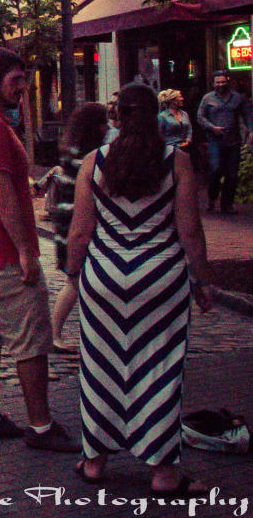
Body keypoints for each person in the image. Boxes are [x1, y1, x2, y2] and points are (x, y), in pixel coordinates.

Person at [65, 84, 216, 493]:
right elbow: (190, 232)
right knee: (162, 368)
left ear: (118, 118)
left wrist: (73, 274)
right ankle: (164, 471)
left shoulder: (95, 163)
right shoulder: (176, 162)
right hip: (161, 277)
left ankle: (94, 460)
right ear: (154, 116)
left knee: (98, 368)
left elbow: (80, 232)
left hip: (105, 277)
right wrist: (202, 280)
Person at [0, 48, 77, 453]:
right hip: (0, 251)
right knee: (30, 340)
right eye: (16, 81)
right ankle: (40, 425)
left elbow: (2, 187)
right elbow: (0, 191)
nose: (23, 90)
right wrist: (25, 249)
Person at [45, 102, 109, 354]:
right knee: (75, 281)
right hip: (76, 224)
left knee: (78, 282)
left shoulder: (74, 150)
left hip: (68, 223)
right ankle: (54, 333)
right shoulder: (88, 156)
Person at [196, 69, 252, 214]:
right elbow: (200, 117)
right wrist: (212, 128)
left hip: (233, 141)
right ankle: (212, 199)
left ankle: (227, 204)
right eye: (218, 82)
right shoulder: (208, 98)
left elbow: (247, 115)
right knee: (216, 170)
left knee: (232, 174)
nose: (221, 84)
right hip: (215, 141)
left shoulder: (237, 98)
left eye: (223, 81)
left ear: (227, 81)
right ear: (213, 84)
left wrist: (251, 130)